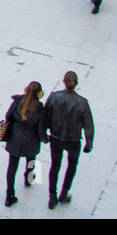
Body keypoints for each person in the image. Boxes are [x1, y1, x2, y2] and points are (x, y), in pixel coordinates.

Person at [43, 71, 93, 209]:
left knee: (55, 165)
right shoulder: (82, 102)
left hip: (56, 138)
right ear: (76, 83)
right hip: (73, 140)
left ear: (63, 81)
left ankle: (52, 196)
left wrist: (43, 134)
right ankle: (64, 193)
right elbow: (88, 124)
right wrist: (89, 143)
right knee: (71, 166)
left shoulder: (54, 97)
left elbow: (45, 116)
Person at [1, 80, 45, 207]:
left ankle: (9, 194)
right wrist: (44, 138)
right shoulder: (39, 108)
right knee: (31, 160)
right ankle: (29, 178)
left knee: (12, 166)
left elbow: (8, 116)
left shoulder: (17, 102)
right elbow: (41, 127)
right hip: (31, 140)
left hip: (15, 138)